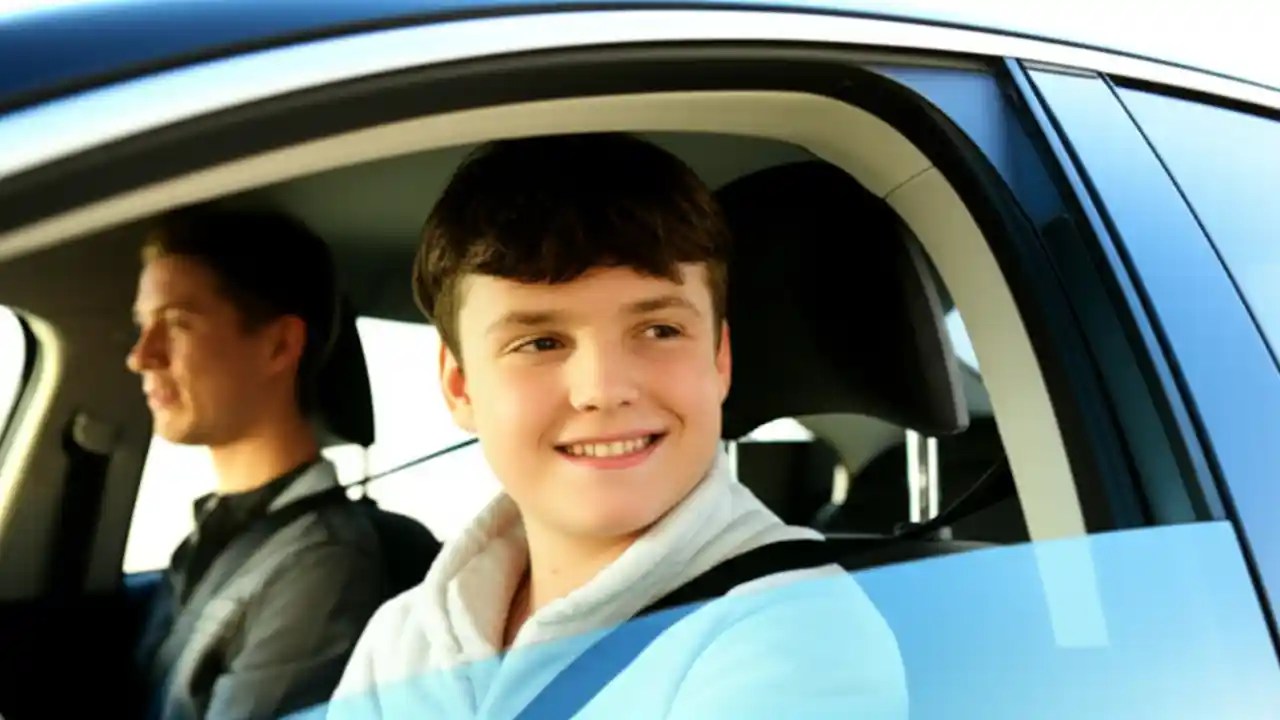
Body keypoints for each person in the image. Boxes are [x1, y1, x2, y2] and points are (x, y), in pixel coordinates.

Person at [324, 134, 907, 718]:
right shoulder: (404, 642)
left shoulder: (799, 634)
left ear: (720, 358)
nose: (603, 390)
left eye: (659, 331)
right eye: (540, 342)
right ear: (461, 385)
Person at [127, 208, 392, 720]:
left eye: (178, 323)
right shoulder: (216, 536)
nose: (141, 356)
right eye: (142, 326)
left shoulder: (324, 566)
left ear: (279, 345)